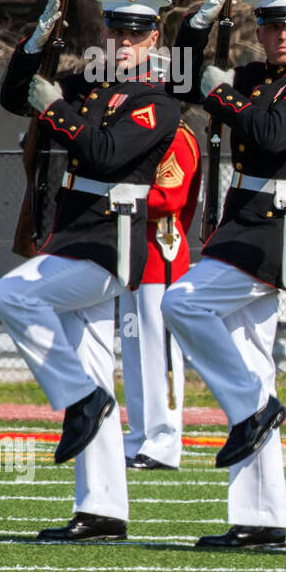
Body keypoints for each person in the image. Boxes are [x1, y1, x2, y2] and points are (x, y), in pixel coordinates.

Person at [0, 0, 179, 540]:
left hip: (110, 248)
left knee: (14, 294)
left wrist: (55, 108)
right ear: (104, 36)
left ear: (153, 40)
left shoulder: (157, 102)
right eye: (114, 32)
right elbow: (13, 96)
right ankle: (102, 511)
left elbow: (102, 152)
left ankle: (80, 400)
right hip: (73, 237)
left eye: (134, 34)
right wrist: (35, 42)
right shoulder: (85, 88)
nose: (122, 42)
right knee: (94, 362)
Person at [163, 0, 286, 549]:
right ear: (259, 30)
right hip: (240, 222)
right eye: (271, 26)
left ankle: (254, 410)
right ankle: (260, 519)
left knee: (181, 302)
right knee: (254, 362)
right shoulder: (256, 77)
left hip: (271, 228)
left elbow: (268, 129)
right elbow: (180, 78)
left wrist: (220, 92)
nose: (281, 35)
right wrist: (197, 25)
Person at [122, 117, 200, 470]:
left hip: (159, 251)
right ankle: (139, 435)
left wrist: (119, 196)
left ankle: (165, 440)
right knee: (135, 353)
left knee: (161, 353)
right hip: (131, 252)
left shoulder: (176, 136)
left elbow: (170, 197)